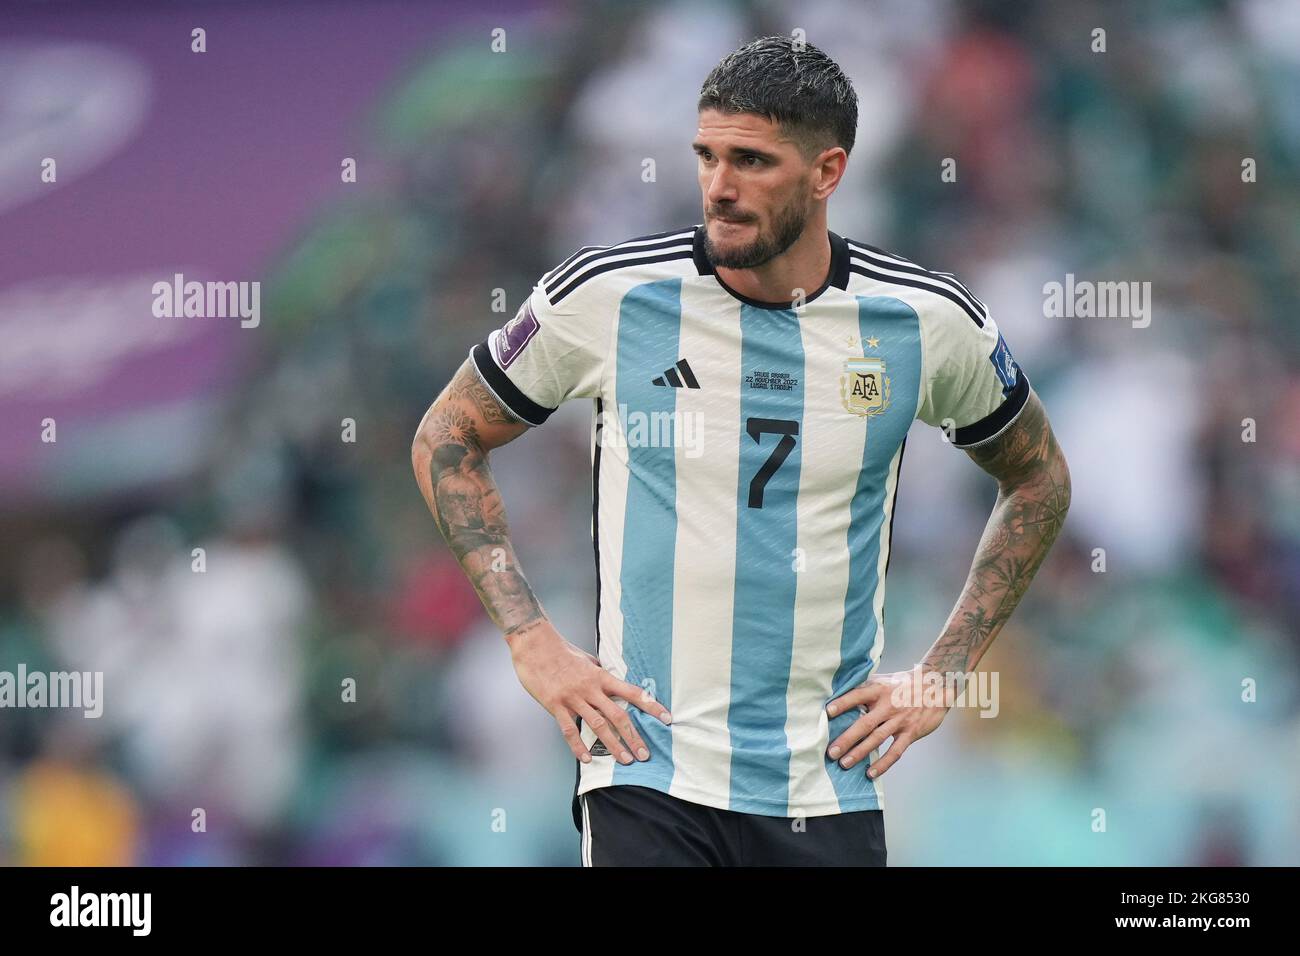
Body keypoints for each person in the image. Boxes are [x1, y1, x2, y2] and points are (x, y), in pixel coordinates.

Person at [411, 35, 1071, 866]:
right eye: (707, 157)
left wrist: (942, 671)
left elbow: (1038, 477)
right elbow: (448, 437)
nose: (719, 188)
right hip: (648, 777)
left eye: (752, 162)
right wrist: (529, 637)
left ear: (828, 173)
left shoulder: (923, 324)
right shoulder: (609, 298)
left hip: (824, 784)